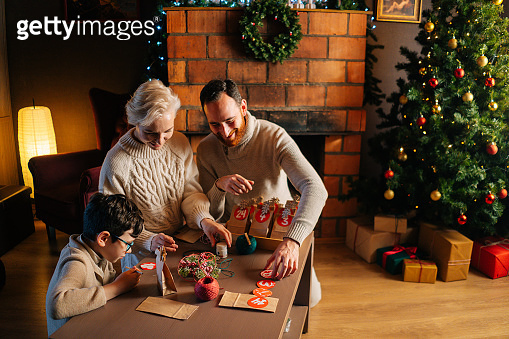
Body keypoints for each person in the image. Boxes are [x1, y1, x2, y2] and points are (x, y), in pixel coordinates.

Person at [196, 79, 328, 305]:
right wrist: (219, 186)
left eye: (230, 121)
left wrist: (292, 241)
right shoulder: (206, 149)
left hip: (280, 234)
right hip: (235, 238)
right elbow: (212, 215)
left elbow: (315, 188)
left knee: (310, 298)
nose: (225, 132)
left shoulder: (274, 136)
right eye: (215, 124)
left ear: (243, 108)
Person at [99, 80, 231, 269]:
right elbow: (113, 221)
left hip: (179, 242)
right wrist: (148, 240)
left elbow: (190, 192)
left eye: (167, 130)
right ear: (135, 122)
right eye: (150, 132)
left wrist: (205, 220)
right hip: (140, 255)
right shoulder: (116, 161)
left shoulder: (179, 143)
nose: (160, 141)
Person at [46, 193, 144, 336]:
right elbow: (56, 305)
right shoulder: (76, 261)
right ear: (103, 238)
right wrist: (117, 287)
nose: (129, 251)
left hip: (94, 324)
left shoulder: (100, 252)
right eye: (127, 244)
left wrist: (120, 281)